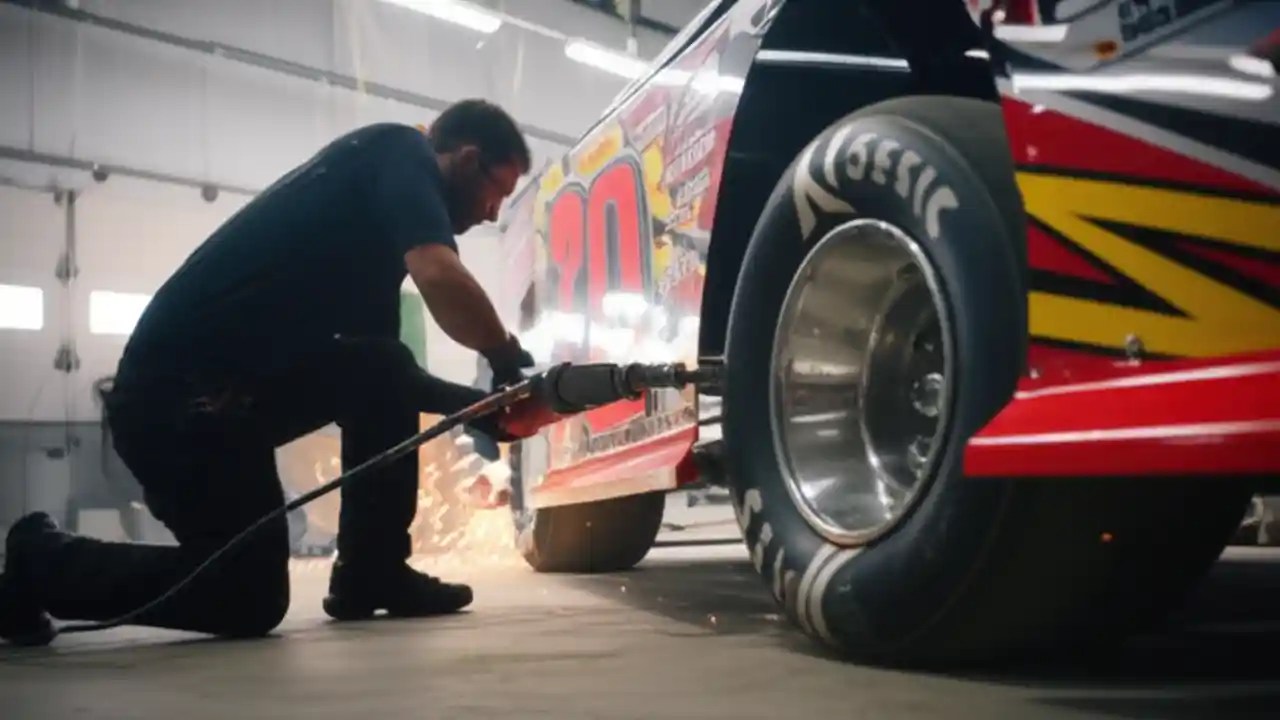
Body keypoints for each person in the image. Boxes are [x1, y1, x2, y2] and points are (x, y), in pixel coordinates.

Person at [0, 99, 549, 647]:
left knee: (381, 366)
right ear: (466, 159)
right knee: (247, 597)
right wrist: (506, 361)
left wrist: (480, 411)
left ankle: (372, 572)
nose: (492, 214)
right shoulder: (399, 150)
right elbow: (440, 273)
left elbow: (387, 378)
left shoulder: (367, 239)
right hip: (174, 407)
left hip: (228, 407)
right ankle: (43, 561)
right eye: (496, 193)